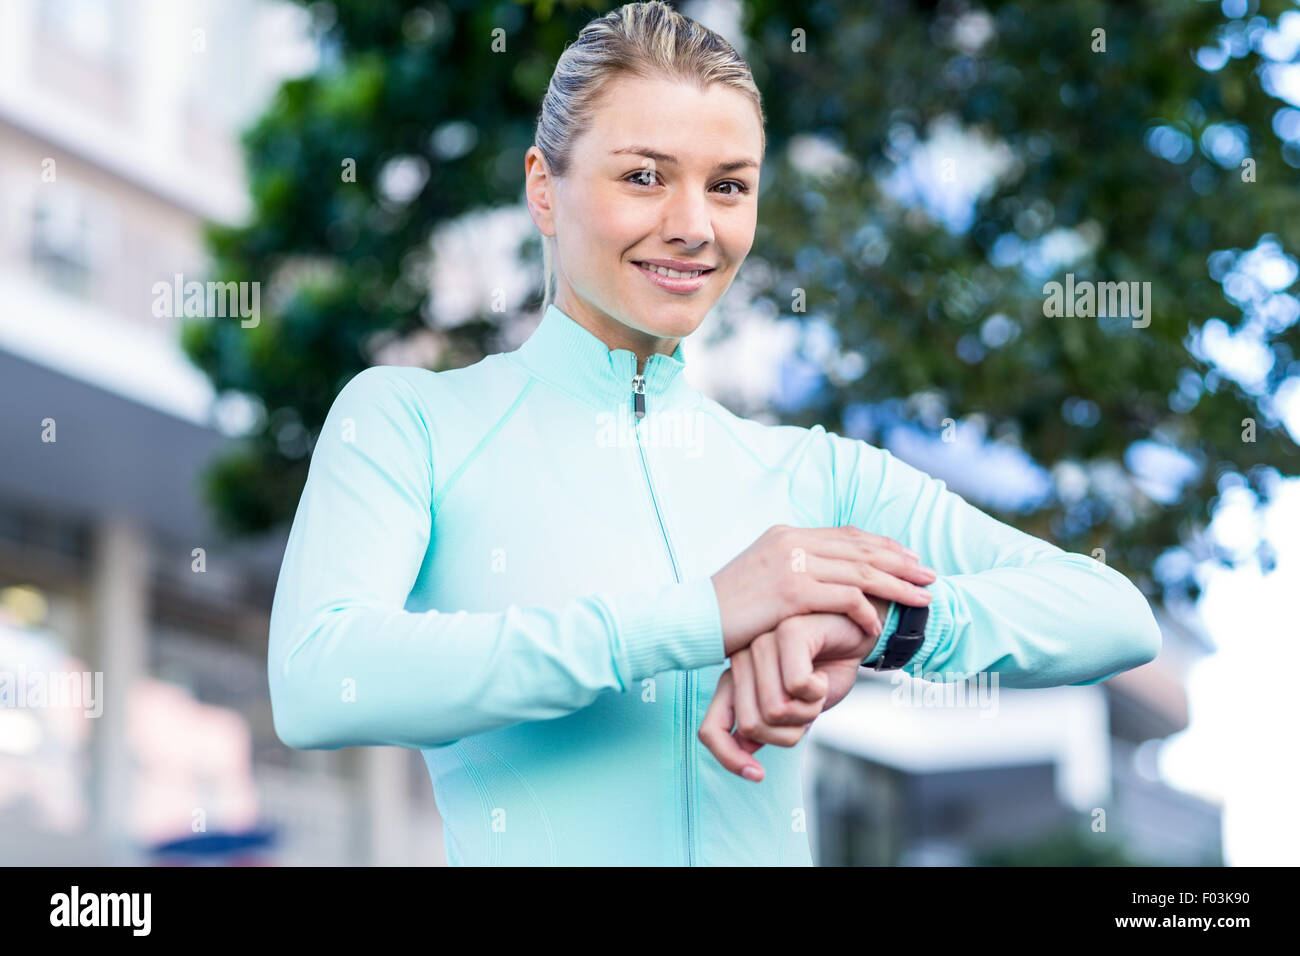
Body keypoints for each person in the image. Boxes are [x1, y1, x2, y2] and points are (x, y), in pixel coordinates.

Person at [267, 0, 1160, 866]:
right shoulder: (413, 422)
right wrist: (699, 616)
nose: (695, 227)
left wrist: (880, 624)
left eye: (728, 186)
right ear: (545, 188)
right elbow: (318, 678)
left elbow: (1113, 616)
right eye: (644, 176)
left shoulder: (819, 477)